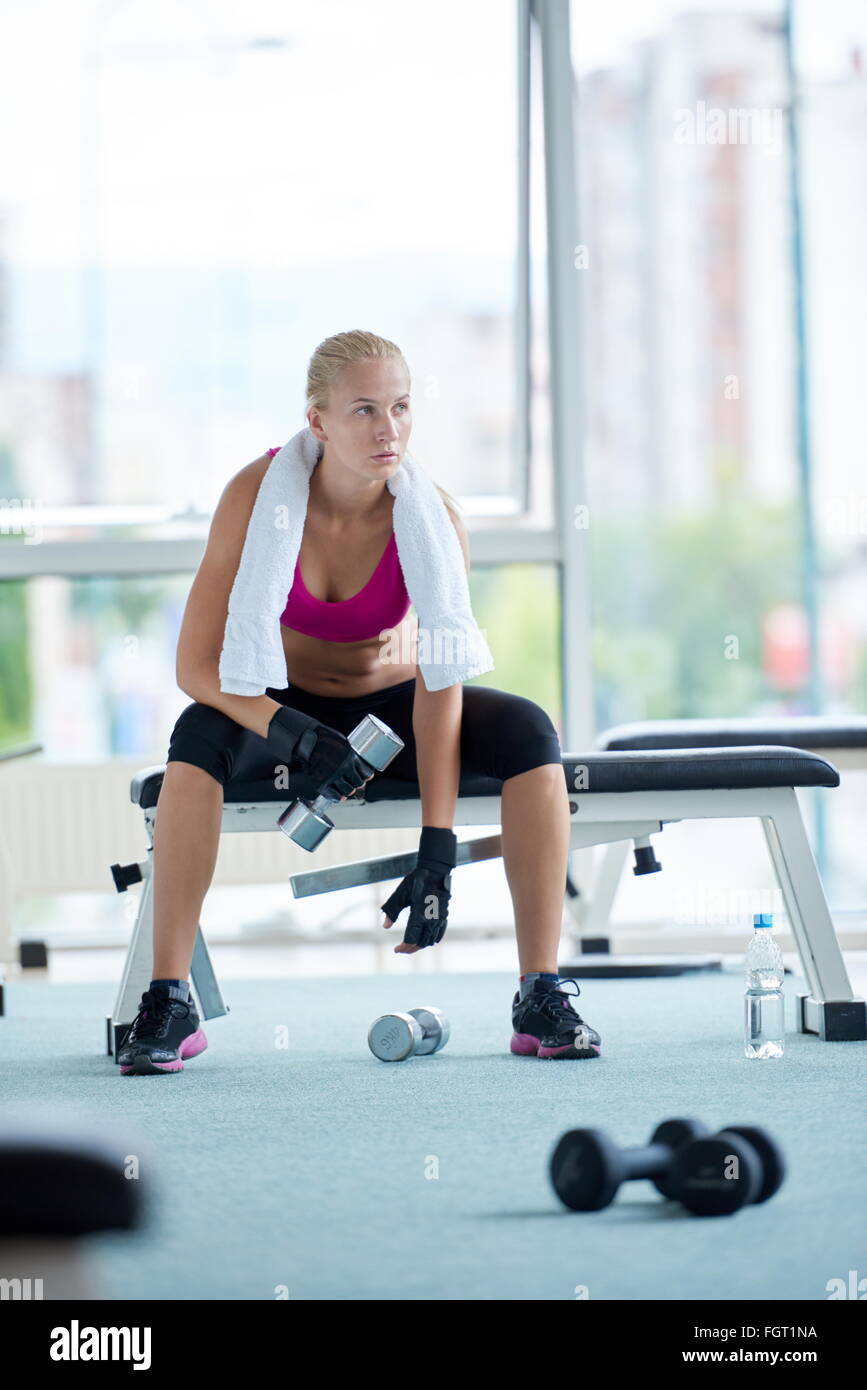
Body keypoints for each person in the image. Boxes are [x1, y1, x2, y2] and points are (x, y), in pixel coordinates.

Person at [118, 329, 602, 1075]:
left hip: (395, 709)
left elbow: (442, 685)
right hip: (279, 707)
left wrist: (436, 847)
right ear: (317, 422)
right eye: (365, 411)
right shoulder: (256, 498)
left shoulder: (431, 518)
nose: (389, 431)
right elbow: (195, 664)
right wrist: (288, 731)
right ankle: (169, 998)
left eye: (402, 409)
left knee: (529, 730)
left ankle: (540, 992)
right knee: (195, 737)